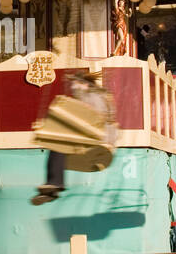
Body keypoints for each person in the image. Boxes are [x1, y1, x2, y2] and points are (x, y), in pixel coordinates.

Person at [33, 70, 117, 205]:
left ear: (85, 84)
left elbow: (93, 120)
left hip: (98, 144)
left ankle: (54, 183)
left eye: (75, 83)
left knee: (59, 147)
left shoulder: (93, 97)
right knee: (57, 149)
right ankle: (52, 190)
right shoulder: (88, 98)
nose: (72, 87)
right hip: (92, 142)